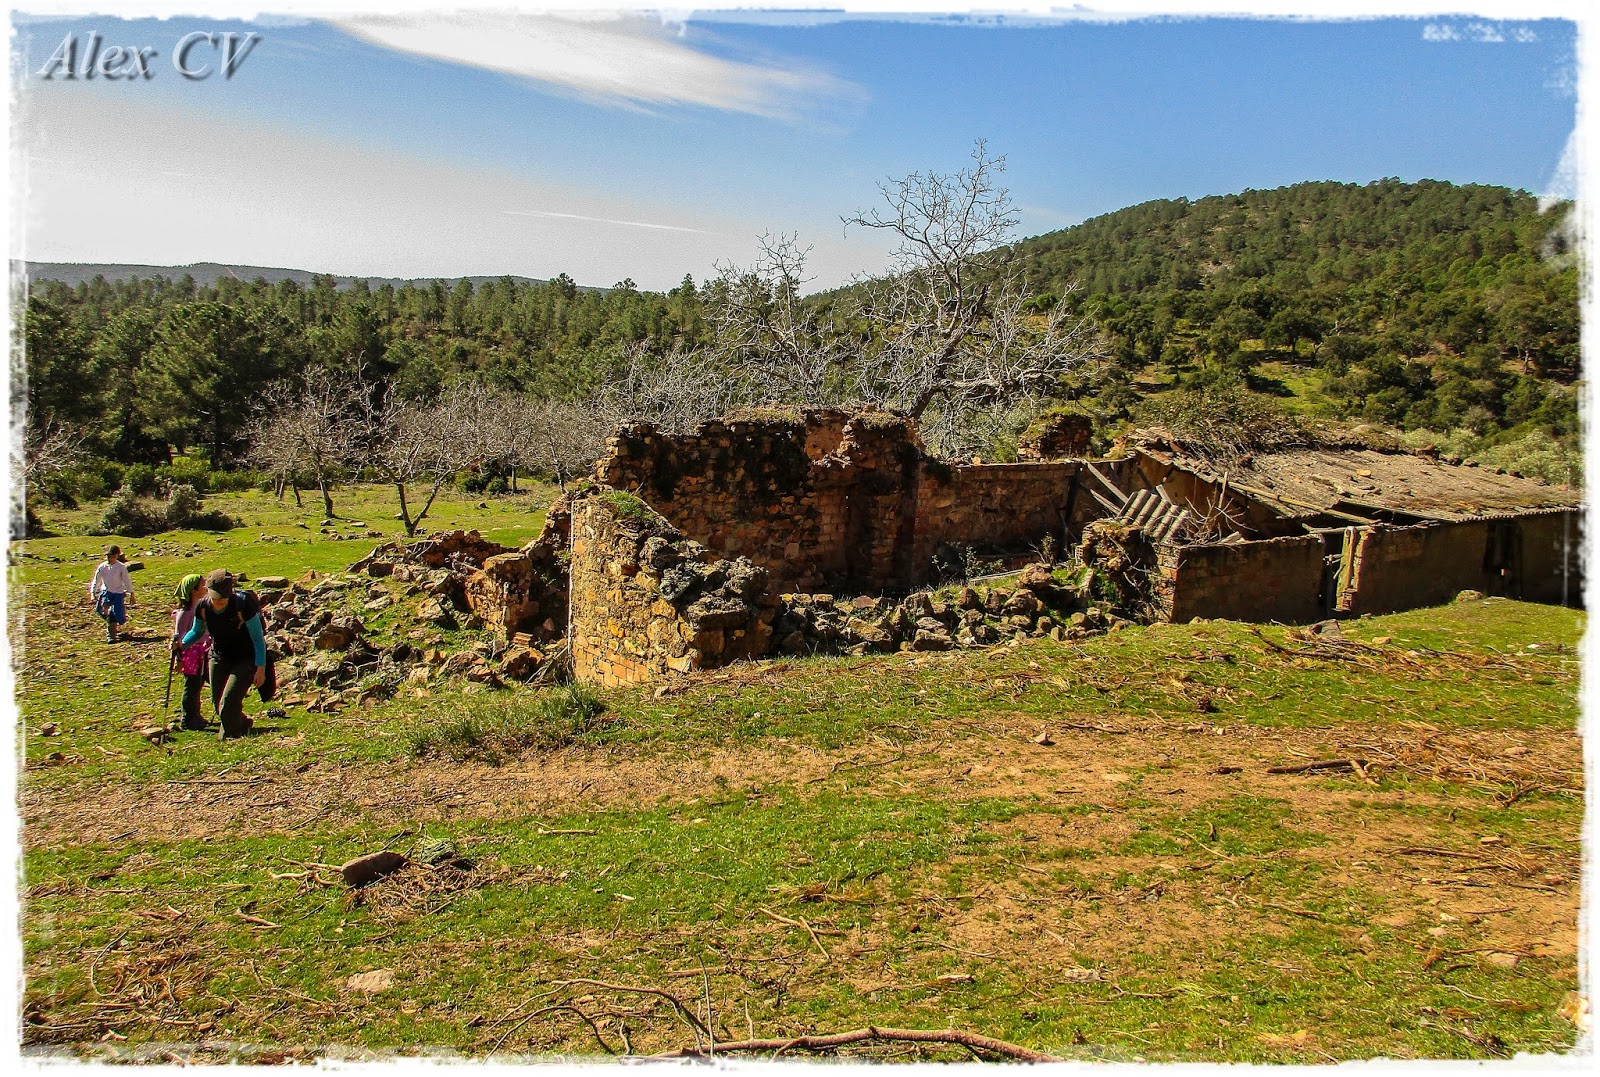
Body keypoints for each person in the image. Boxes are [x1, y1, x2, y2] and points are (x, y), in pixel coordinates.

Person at [180, 568, 265, 740]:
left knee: (227, 704)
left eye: (223, 598)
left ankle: (231, 734)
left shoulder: (243, 605)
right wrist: (181, 644)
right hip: (218, 656)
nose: (219, 602)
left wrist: (260, 668)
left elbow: (258, 639)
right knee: (219, 705)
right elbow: (197, 631)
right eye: (216, 598)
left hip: (244, 658)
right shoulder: (203, 606)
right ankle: (241, 723)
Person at [169, 574, 212, 731]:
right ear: (194, 591)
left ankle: (196, 716)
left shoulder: (201, 608)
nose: (205, 588)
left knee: (198, 684)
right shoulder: (185, 613)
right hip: (191, 653)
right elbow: (178, 637)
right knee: (192, 685)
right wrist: (178, 659)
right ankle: (188, 718)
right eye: (202, 585)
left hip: (203, 650)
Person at [87, 544, 134, 643]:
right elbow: (96, 580)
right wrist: (93, 593)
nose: (111, 559)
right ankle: (113, 627)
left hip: (118, 593)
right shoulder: (102, 566)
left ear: (117, 556)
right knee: (101, 611)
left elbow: (127, 581)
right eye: (109, 556)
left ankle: (111, 635)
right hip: (106, 593)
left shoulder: (121, 567)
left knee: (114, 614)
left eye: (113, 556)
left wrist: (131, 594)